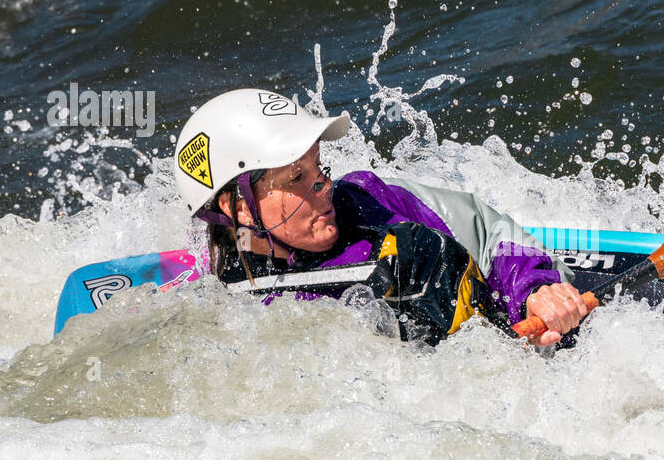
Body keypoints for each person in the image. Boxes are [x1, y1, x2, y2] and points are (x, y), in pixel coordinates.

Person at [172, 88, 590, 346]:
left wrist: (534, 288)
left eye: (318, 165)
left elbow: (487, 229)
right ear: (239, 207)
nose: (323, 186)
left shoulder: (367, 199)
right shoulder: (245, 317)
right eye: (297, 177)